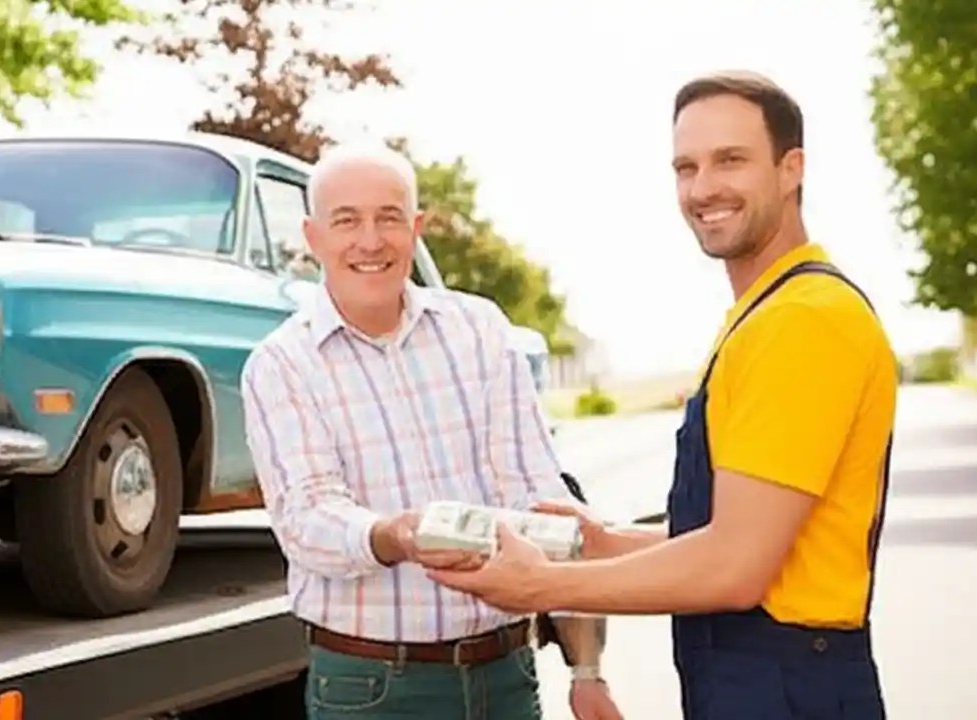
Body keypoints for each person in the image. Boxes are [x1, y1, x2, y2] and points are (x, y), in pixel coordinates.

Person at [428, 70, 897, 720]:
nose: (703, 188)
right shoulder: (762, 314)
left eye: (730, 160)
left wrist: (545, 584)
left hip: (788, 685)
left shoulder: (804, 319)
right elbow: (734, 530)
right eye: (686, 167)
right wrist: (603, 540)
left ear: (792, 169)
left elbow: (733, 566)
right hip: (759, 679)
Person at [239, 142, 622, 719]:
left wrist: (586, 669)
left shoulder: (479, 329)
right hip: (374, 691)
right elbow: (308, 520)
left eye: (389, 218)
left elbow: (543, 502)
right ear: (313, 237)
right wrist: (395, 535)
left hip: (507, 679)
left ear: (416, 229)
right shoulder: (281, 365)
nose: (371, 240)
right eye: (347, 221)